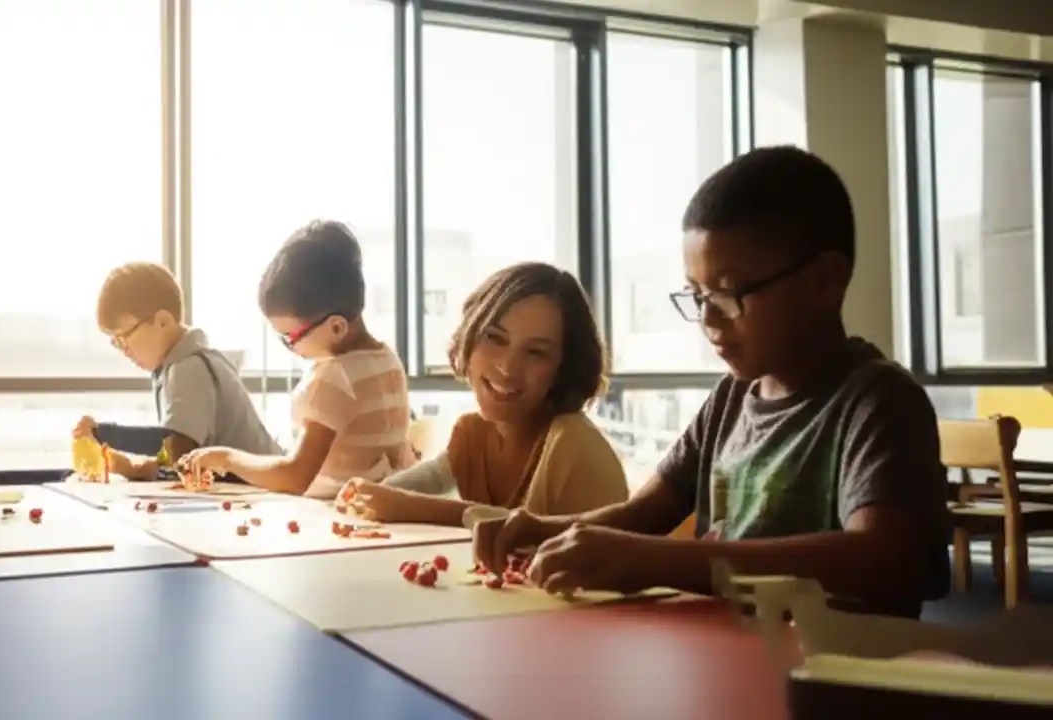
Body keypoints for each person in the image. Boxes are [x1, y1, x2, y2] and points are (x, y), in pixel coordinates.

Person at [474, 146, 949, 618]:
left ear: (824, 281)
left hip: (830, 679)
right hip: (730, 660)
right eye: (697, 294)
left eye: (727, 294)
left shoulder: (877, 401)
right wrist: (539, 530)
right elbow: (642, 514)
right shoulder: (732, 397)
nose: (708, 320)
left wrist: (653, 560)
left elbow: (887, 560)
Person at [336, 262, 628, 526]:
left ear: (565, 367)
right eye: (494, 338)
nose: (507, 367)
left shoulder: (572, 440)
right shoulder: (475, 433)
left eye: (536, 352)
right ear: (469, 336)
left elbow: (541, 536)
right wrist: (366, 493)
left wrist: (413, 507)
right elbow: (432, 477)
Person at [180, 220, 413, 498]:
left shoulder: (334, 377)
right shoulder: (387, 360)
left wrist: (227, 458)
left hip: (332, 516)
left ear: (336, 327)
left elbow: (295, 476)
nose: (289, 347)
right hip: (379, 510)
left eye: (290, 337)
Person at [75, 262, 279, 480]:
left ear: (162, 321)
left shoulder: (190, 366)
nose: (124, 350)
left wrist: (104, 433)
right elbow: (181, 459)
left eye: (124, 336)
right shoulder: (180, 364)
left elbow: (176, 442)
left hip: (262, 490)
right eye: (115, 342)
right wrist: (130, 468)